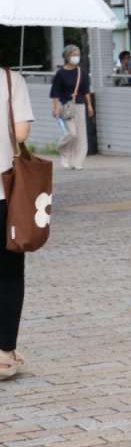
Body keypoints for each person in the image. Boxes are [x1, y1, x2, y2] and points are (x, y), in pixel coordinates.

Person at [0, 69, 33, 380]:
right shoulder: (12, 80)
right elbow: (20, 134)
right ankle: (3, 351)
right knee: (9, 273)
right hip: (3, 192)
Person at [50, 44, 94, 170]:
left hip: (80, 105)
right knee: (72, 134)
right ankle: (63, 152)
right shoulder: (61, 73)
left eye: (78, 55)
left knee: (81, 136)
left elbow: (86, 91)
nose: (76, 57)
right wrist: (55, 107)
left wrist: (90, 106)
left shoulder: (82, 72)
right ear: (67, 56)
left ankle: (77, 161)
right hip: (67, 106)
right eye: (74, 55)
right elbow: (55, 93)